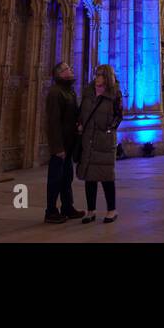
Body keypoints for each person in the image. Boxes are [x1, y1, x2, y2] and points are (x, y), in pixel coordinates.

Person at [76, 63, 123, 224]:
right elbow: (81, 111)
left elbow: (119, 115)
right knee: (90, 177)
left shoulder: (114, 94)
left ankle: (112, 210)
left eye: (101, 75)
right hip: (89, 138)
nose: (98, 78)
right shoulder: (88, 92)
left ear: (108, 77)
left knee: (106, 176)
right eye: (96, 74)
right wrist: (80, 124)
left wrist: (109, 129)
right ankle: (91, 211)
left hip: (104, 141)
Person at [43, 62, 83, 223]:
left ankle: (67, 207)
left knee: (67, 177)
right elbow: (53, 122)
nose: (71, 70)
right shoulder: (55, 92)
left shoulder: (70, 92)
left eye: (70, 68)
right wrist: (57, 147)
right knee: (55, 178)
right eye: (67, 69)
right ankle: (51, 211)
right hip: (60, 146)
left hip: (69, 143)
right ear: (59, 74)